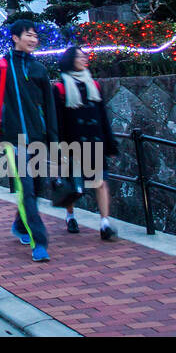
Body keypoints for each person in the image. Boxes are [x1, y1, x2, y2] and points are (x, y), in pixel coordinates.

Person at [0, 19, 59, 262]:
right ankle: (39, 242)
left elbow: (49, 107)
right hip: (13, 139)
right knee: (26, 188)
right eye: (28, 35)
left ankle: (20, 226)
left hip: (37, 138)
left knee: (37, 187)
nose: (33, 39)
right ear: (15, 37)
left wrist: (53, 139)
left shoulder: (39, 69)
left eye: (35, 35)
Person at [52, 45, 120, 241]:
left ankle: (105, 222)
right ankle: (70, 215)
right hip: (72, 144)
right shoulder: (60, 88)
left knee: (100, 182)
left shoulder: (94, 85)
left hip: (94, 140)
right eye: (79, 57)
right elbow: (57, 121)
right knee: (73, 184)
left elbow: (102, 116)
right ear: (70, 60)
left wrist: (110, 143)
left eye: (84, 56)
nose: (84, 59)